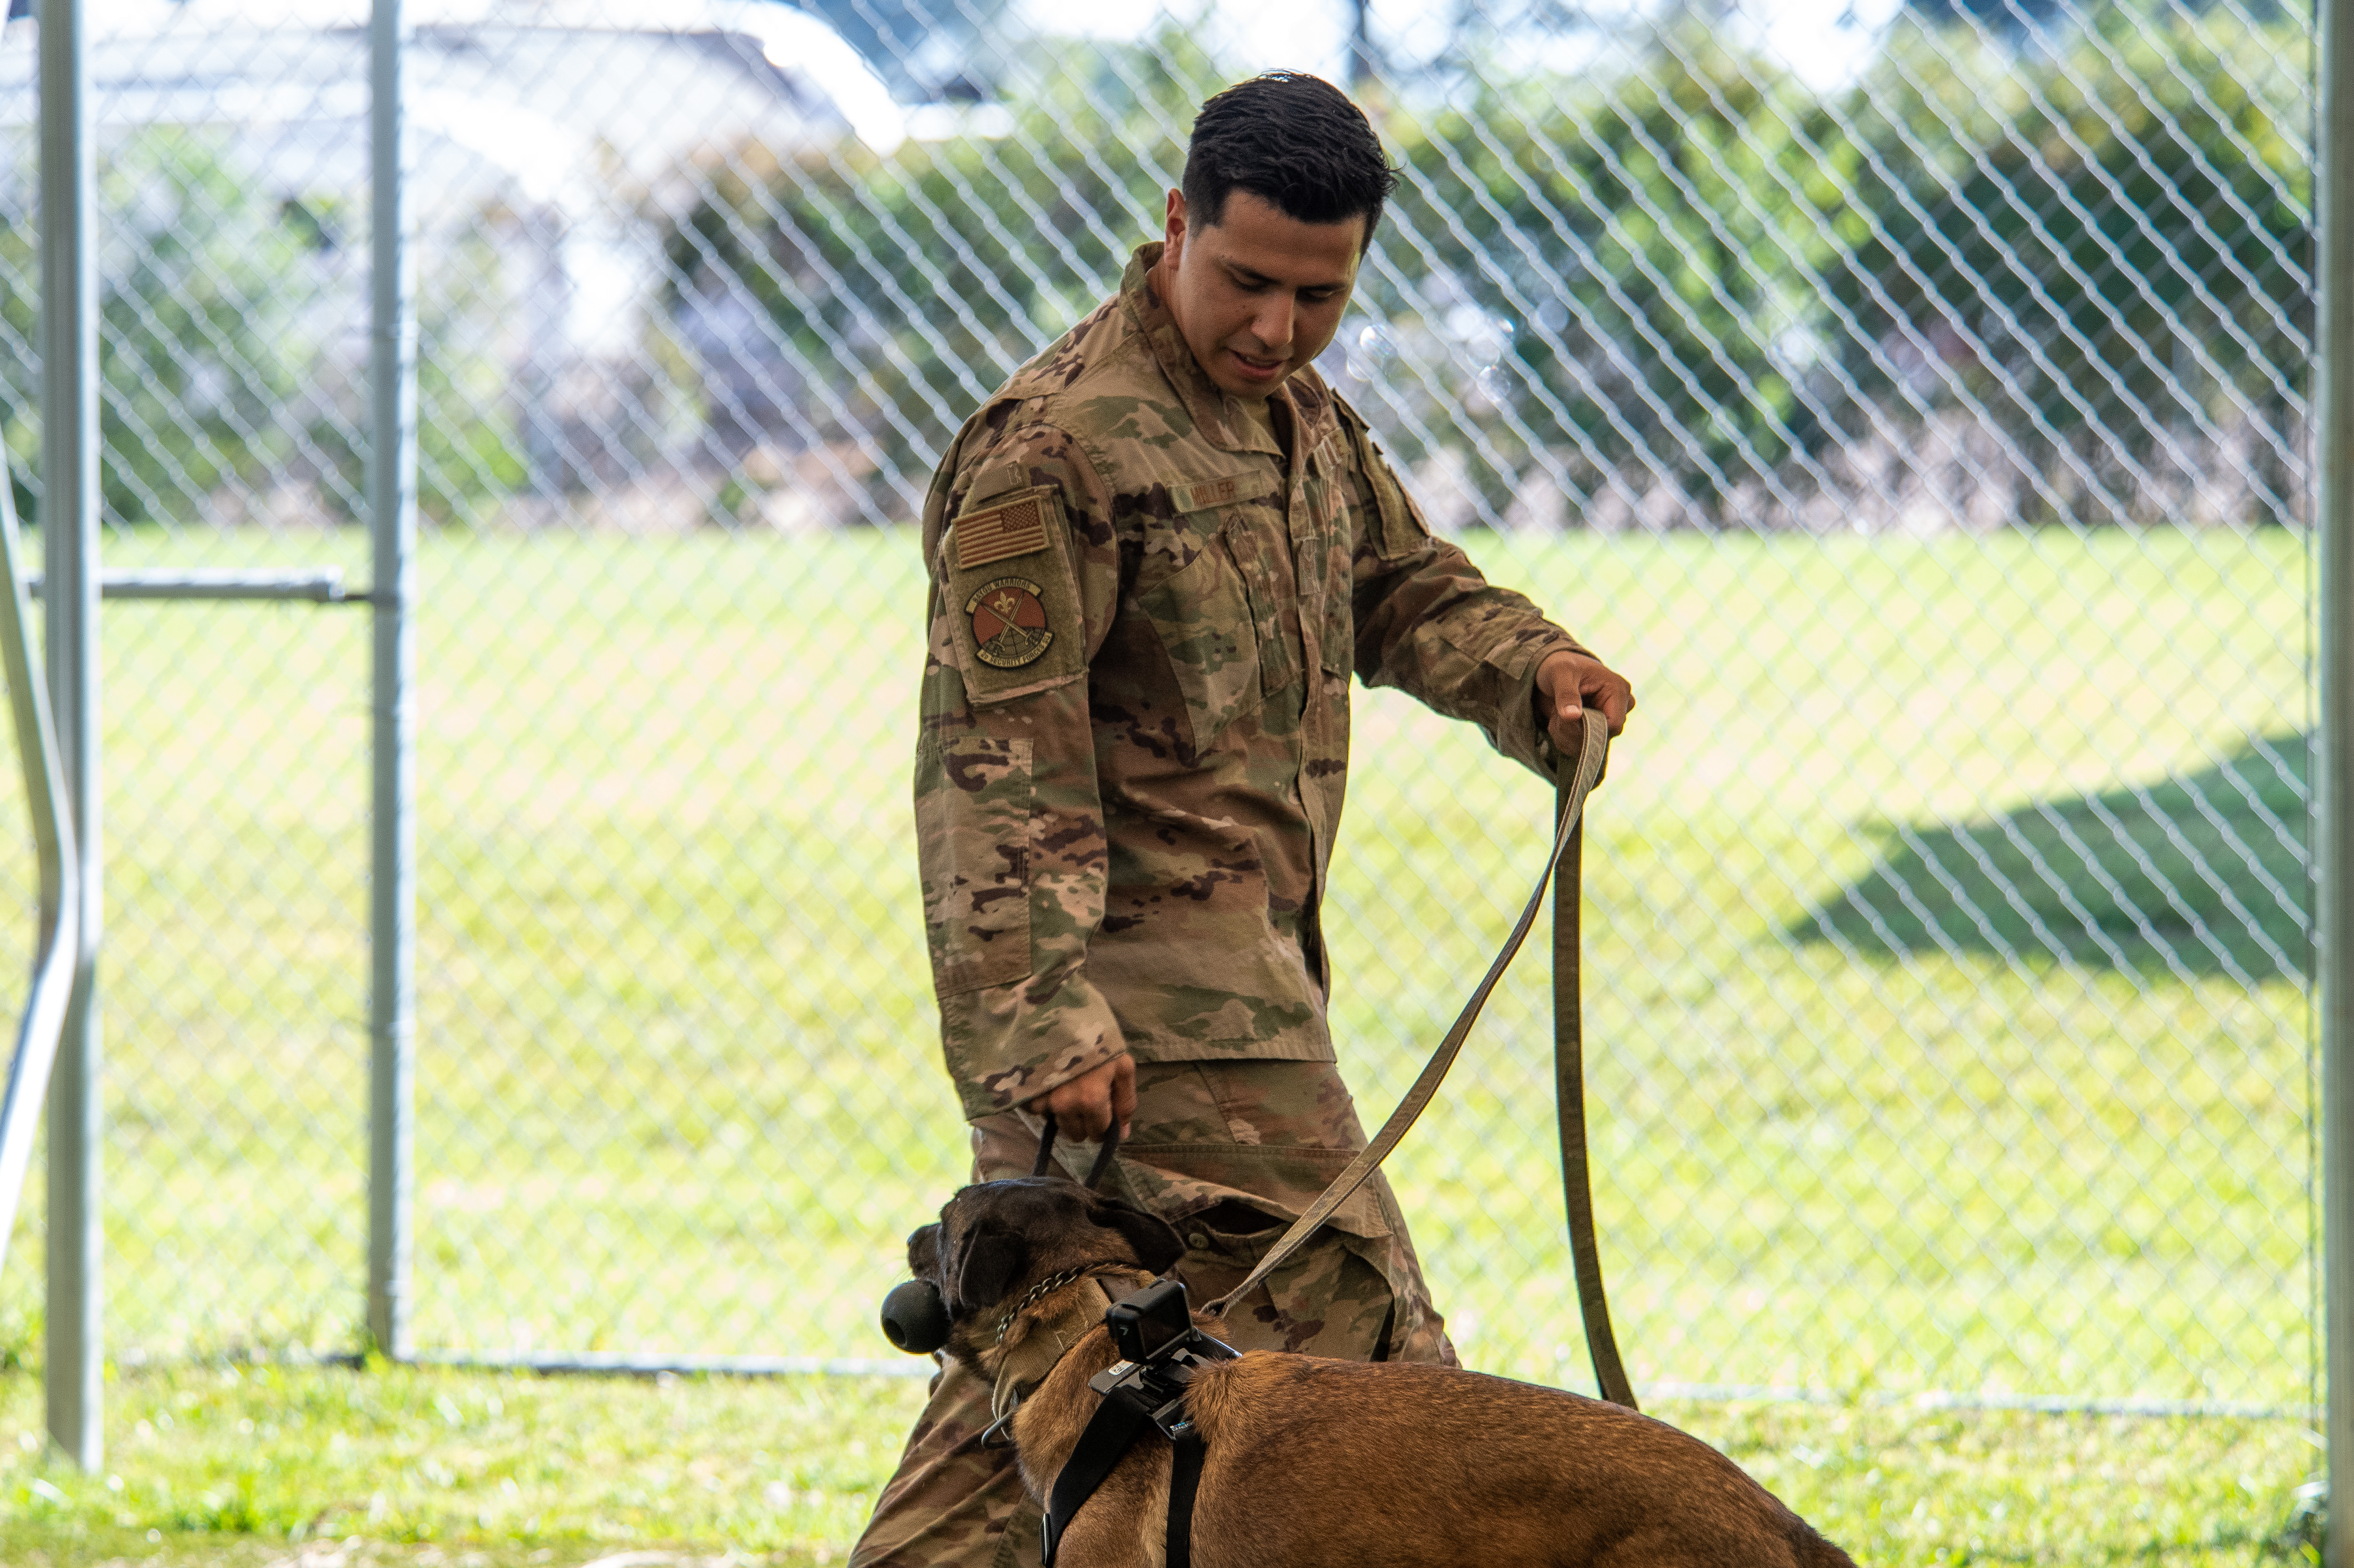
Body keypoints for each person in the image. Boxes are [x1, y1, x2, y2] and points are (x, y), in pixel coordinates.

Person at [856, 70, 1636, 1568]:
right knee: (1406, 1423)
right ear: (1174, 226)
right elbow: (987, 770)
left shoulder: (1298, 427)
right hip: (1131, 1036)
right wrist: (1045, 1026)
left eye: (1321, 293)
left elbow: (1405, 587)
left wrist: (1536, 672)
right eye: (1248, 281)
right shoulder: (1058, 449)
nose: (1278, 327)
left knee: (1046, 1416)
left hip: (1250, 998)